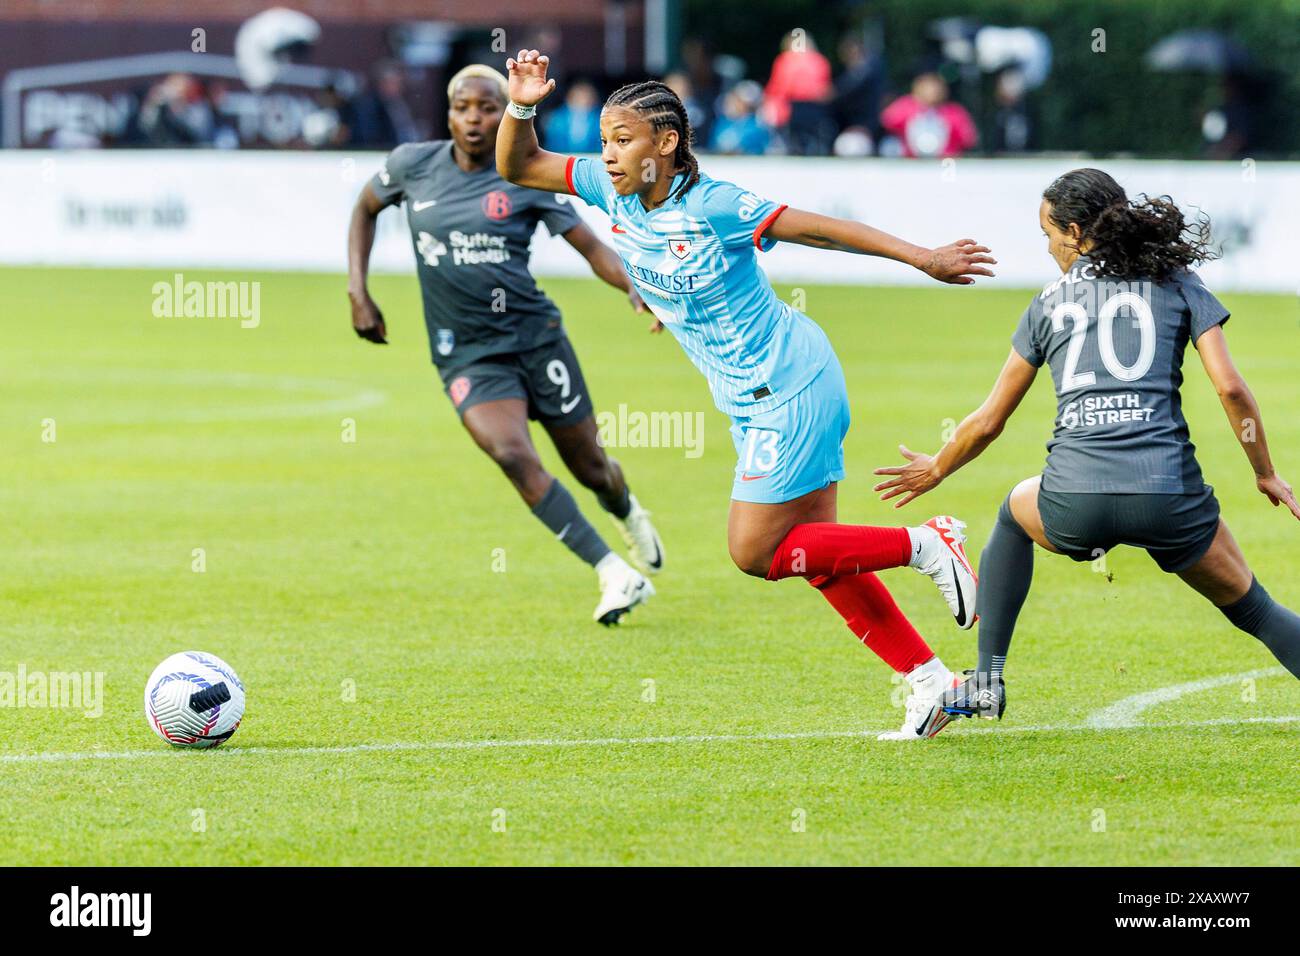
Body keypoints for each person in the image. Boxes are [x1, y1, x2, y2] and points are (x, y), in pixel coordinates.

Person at [497, 49, 999, 740]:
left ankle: (927, 543)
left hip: (788, 387)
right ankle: (932, 683)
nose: (607, 154)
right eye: (605, 141)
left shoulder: (715, 206)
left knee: (755, 552)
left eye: (624, 140)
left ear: (666, 143)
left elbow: (822, 228)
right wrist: (522, 103)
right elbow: (519, 165)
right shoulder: (610, 189)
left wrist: (923, 257)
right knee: (819, 553)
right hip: (759, 395)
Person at [872, 168, 1300, 721]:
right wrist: (1264, 472)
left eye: (1048, 233)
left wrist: (937, 469)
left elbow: (986, 422)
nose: (1048, 246)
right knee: (1258, 611)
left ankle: (987, 679)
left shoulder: (1048, 302)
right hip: (1167, 497)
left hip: (1075, 501)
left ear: (1074, 232)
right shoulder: (1178, 281)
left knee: (1011, 513)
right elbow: (1231, 389)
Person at [347, 65, 665, 625]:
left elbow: (591, 247)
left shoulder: (523, 176)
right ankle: (613, 571)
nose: (475, 118)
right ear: (447, 112)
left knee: (592, 468)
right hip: (467, 354)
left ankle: (626, 507)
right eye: (463, 107)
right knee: (512, 454)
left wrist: (636, 290)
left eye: (488, 107)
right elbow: (365, 208)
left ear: (506, 112)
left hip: (538, 342)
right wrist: (358, 291)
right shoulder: (410, 166)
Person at [880, 72, 977, 159]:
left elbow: (968, 138)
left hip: (946, 162)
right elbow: (887, 120)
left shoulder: (953, 112)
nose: (932, 92)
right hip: (910, 160)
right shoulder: (907, 106)